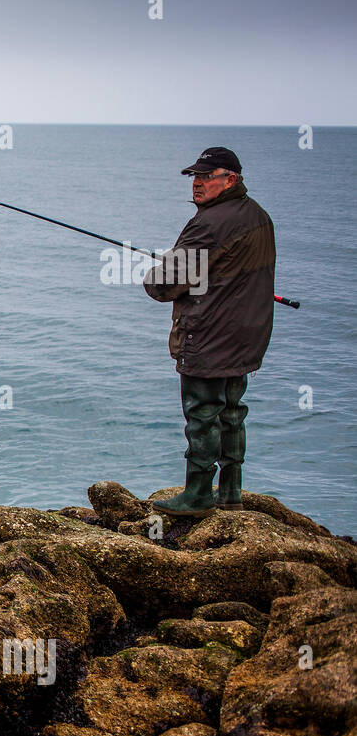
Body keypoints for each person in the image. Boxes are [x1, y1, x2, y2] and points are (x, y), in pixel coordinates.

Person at [143, 147, 275, 516]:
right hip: (246, 335)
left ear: (230, 179)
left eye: (206, 176)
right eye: (194, 177)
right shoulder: (258, 216)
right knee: (232, 412)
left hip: (209, 335)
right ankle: (230, 493)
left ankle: (199, 494)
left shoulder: (209, 224)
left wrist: (154, 275)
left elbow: (165, 285)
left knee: (202, 414)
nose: (197, 183)